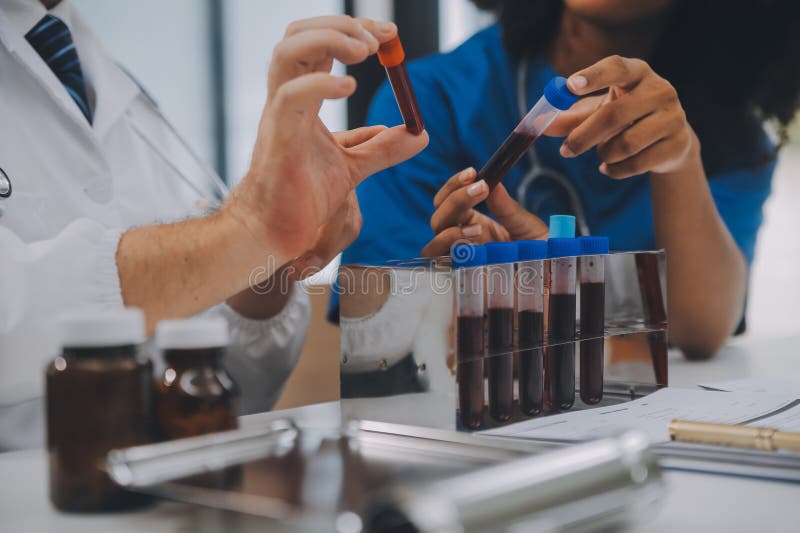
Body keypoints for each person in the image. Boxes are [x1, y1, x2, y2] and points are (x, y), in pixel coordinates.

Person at [0, 0, 428, 450]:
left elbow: (225, 391)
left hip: (167, 491)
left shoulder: (119, 91)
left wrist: (274, 253)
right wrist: (243, 231)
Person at [337, 0, 800, 360]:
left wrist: (680, 159)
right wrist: (453, 292)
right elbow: (375, 324)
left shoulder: (734, 144)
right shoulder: (428, 101)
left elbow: (700, 331)